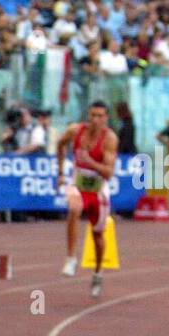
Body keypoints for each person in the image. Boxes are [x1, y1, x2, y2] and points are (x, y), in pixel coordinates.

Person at [57, 101, 119, 299]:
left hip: (98, 188)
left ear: (106, 118)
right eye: (92, 115)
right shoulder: (75, 131)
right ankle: (71, 258)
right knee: (74, 209)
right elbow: (60, 144)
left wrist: (91, 161)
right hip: (78, 181)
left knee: (98, 237)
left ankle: (98, 273)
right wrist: (59, 171)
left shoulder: (109, 139)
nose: (95, 120)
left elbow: (109, 173)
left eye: (100, 116)